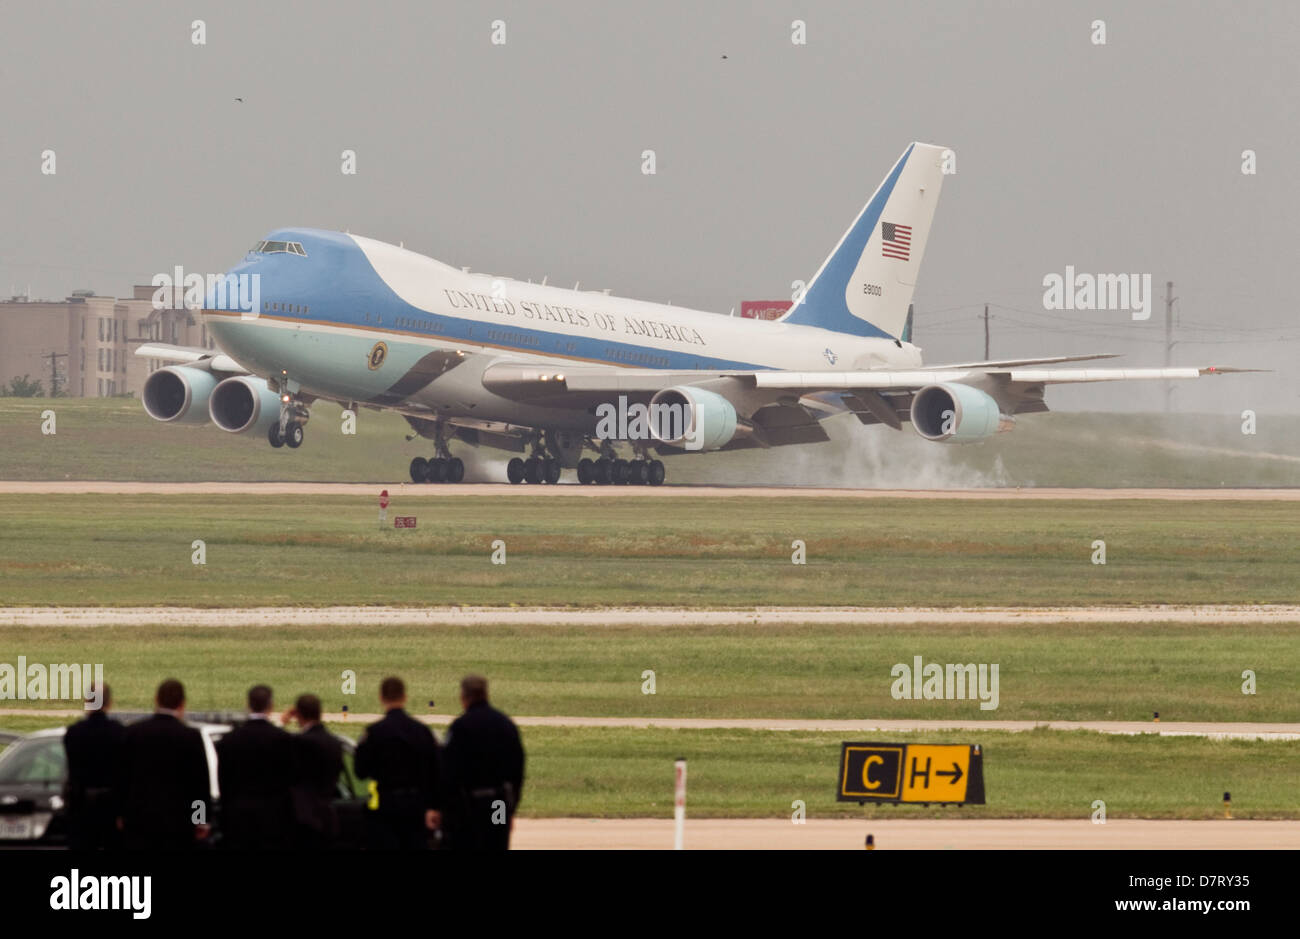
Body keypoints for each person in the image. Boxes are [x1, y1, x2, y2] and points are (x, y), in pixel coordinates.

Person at [116, 679, 210, 850]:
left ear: (156, 699)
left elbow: (122, 778)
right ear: (182, 704)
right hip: (178, 822)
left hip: (139, 820)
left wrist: (120, 813)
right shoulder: (190, 736)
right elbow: (200, 784)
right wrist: (200, 820)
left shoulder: (133, 732)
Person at [353, 676, 441, 850]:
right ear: (404, 697)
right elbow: (436, 772)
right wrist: (434, 806)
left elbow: (360, 771)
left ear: (381, 697)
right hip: (416, 805)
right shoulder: (422, 731)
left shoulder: (374, 732)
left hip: (386, 805)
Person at [441, 674, 525, 851]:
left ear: (463, 698)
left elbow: (448, 770)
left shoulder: (460, 727)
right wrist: (510, 807)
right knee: (497, 843)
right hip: (499, 803)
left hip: (469, 804)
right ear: (486, 694)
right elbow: (517, 770)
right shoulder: (505, 725)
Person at [215, 684, 299, 850]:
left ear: (248, 705)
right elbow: (292, 780)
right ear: (271, 706)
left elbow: (222, 781)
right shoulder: (284, 740)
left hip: (238, 819)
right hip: (274, 820)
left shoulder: (229, 740)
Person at [63, 682, 125, 850]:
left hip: (81, 807)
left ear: (87, 701)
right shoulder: (119, 732)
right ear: (109, 703)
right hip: (111, 807)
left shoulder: (74, 732)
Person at [286, 693, 344, 848]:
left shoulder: (298, 743)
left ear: (298, 714)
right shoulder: (335, 743)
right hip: (328, 818)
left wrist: (283, 724)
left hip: (302, 819)